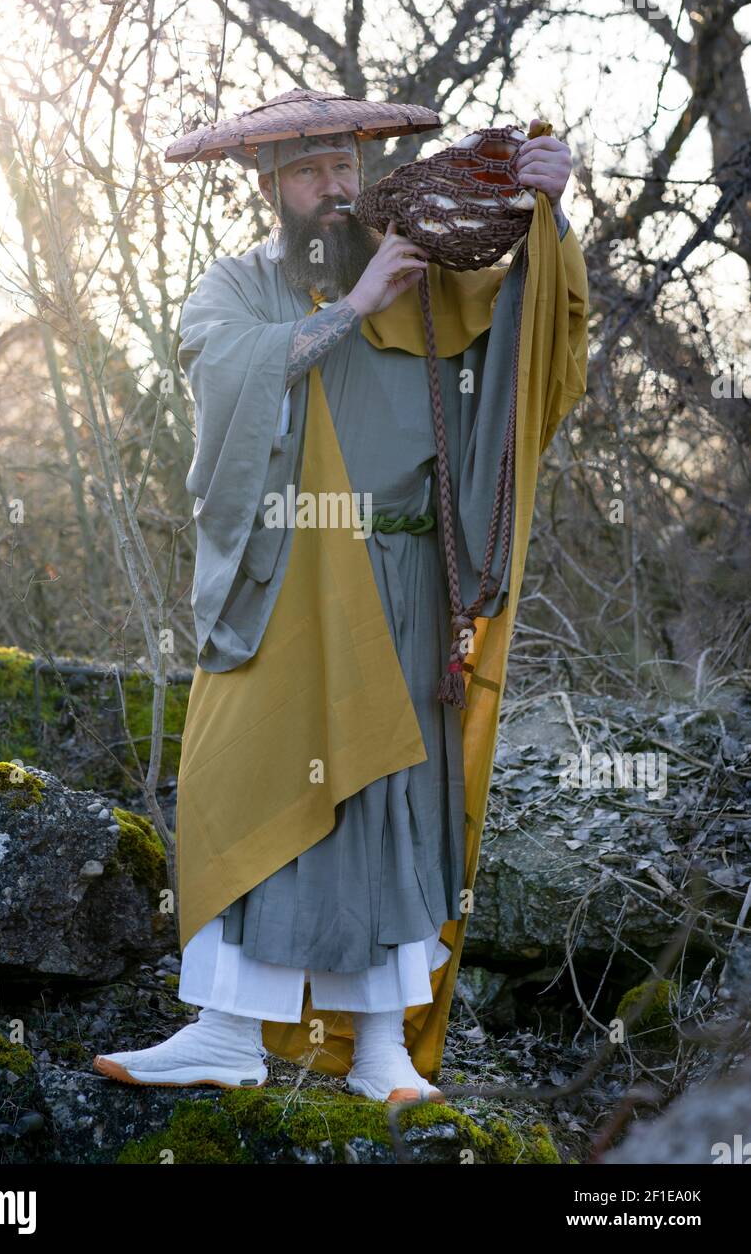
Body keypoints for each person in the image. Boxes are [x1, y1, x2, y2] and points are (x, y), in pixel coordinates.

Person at [94, 92, 587, 1103]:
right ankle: (226, 1033)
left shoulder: (429, 278)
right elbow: (225, 380)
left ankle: (377, 1052)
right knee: (248, 775)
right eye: (313, 171)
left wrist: (550, 216)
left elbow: (530, 348)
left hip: (406, 583)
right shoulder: (238, 285)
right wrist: (351, 305)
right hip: (286, 574)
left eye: (347, 166)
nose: (336, 186)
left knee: (388, 803)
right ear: (270, 188)